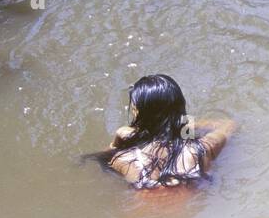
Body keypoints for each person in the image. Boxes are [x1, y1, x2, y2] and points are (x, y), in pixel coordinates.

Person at [87, 74, 235, 190]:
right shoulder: (201, 150)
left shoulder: (125, 160)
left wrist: (117, 143)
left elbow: (103, 158)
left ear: (136, 113)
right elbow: (228, 125)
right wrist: (183, 124)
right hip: (192, 213)